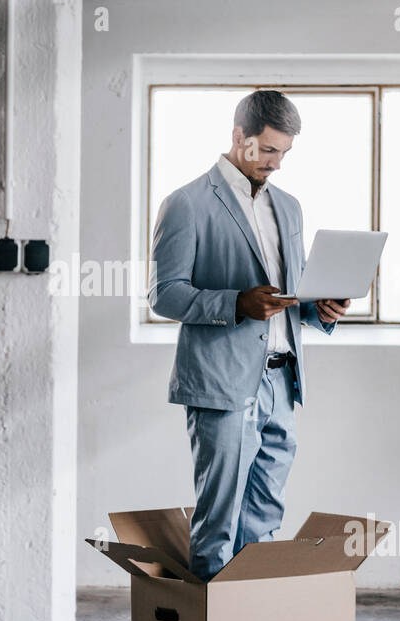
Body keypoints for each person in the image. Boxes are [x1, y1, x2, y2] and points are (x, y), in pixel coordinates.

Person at [148, 90, 350, 581]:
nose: (276, 163)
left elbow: (290, 294)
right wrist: (236, 303)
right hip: (222, 383)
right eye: (268, 149)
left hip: (282, 383)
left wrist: (320, 308)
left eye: (285, 153)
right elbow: (164, 295)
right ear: (239, 136)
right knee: (218, 522)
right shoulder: (186, 204)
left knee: (263, 519)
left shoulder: (290, 207)